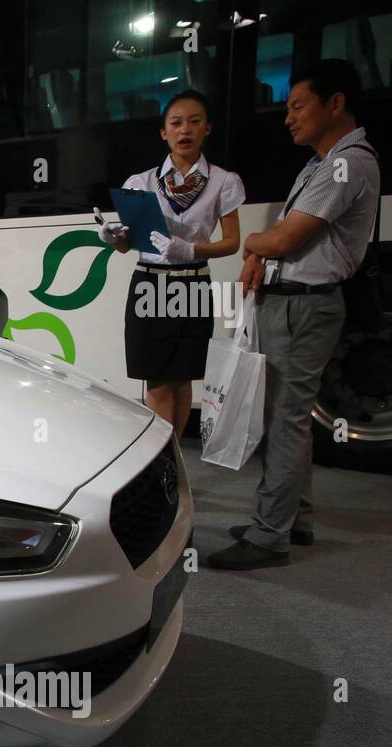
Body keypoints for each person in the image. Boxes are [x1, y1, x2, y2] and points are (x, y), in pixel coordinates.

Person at [209, 60, 381, 571]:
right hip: (289, 303)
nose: (288, 118)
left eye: (298, 106)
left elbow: (283, 237)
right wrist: (264, 252)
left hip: (306, 306)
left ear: (335, 104)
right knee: (289, 417)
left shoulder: (348, 164)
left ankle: (268, 536)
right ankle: (294, 518)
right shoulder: (318, 164)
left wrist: (256, 245)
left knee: (284, 418)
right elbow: (283, 237)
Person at [96, 89, 244, 437]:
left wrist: (191, 251)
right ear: (164, 132)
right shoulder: (141, 183)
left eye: (194, 122)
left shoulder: (224, 181)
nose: (184, 130)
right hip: (151, 283)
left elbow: (233, 242)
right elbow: (128, 246)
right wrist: (113, 238)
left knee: (181, 380)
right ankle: (166, 465)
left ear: (207, 128)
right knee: (159, 384)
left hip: (193, 285)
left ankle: (174, 467)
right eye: (175, 123)